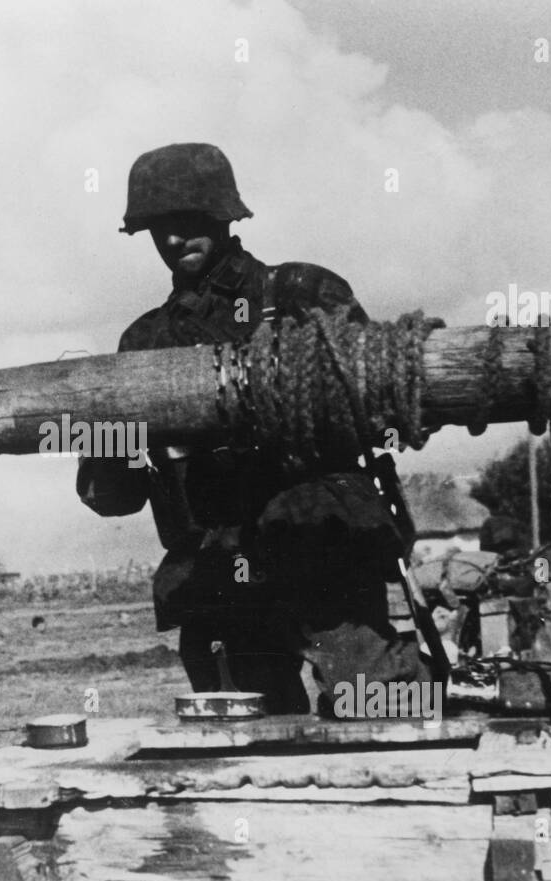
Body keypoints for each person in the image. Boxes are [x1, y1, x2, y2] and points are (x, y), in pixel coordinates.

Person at [77, 143, 429, 715]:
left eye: (188, 222)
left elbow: (374, 402)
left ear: (224, 215)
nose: (172, 239)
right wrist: (108, 438)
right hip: (216, 576)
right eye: (158, 227)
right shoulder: (143, 342)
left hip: (319, 551)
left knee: (384, 716)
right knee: (243, 754)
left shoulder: (301, 295)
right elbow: (110, 493)